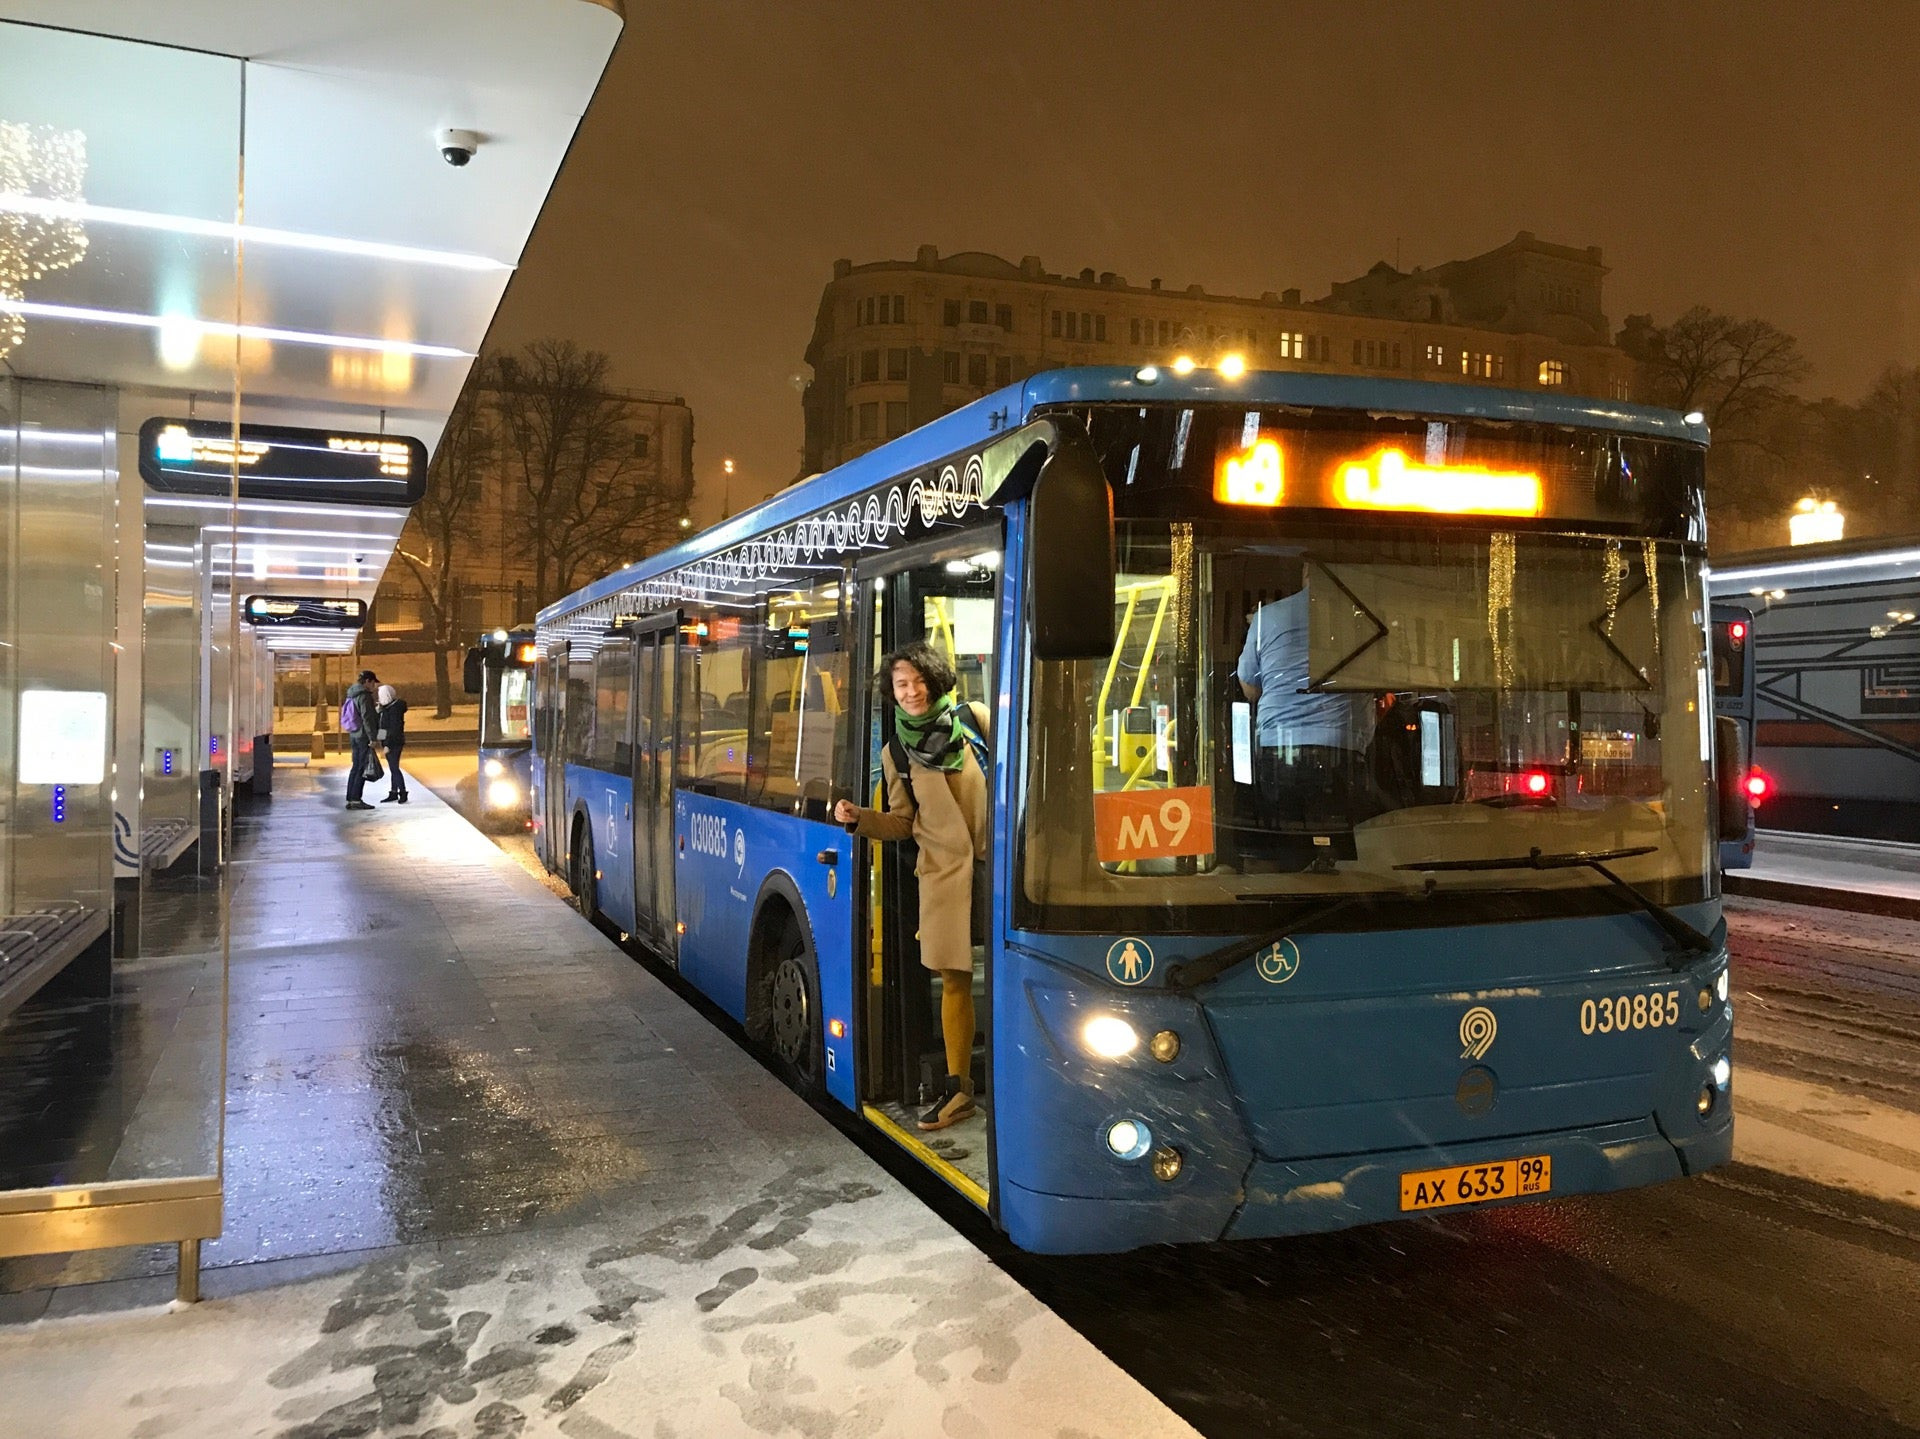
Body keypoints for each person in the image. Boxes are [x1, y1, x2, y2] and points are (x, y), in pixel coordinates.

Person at [833, 642, 988, 1132]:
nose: (913, 691)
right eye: (902, 685)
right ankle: (958, 1088)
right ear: (892, 694)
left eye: (919, 680)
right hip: (944, 875)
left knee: (1014, 971)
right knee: (956, 982)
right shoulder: (896, 752)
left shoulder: (975, 721)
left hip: (1000, 867)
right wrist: (859, 819)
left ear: (936, 679)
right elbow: (903, 823)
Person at [1236, 586, 1376, 868]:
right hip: (1344, 747)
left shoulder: (1268, 617)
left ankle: (1296, 887)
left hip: (1280, 747)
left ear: (1304, 570)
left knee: (1289, 838)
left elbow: (1249, 687)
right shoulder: (1369, 618)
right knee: (1340, 839)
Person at [342, 669, 381, 811]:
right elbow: (367, 718)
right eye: (372, 683)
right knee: (361, 767)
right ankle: (356, 799)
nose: (374, 686)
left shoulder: (351, 694)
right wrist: (373, 738)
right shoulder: (364, 696)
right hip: (363, 736)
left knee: (355, 766)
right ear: (367, 682)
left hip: (354, 734)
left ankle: (351, 798)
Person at [376, 682, 409, 803]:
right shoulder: (388, 708)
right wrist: (381, 743)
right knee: (393, 767)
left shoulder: (392, 710)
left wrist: (386, 744)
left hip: (394, 742)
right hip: (393, 741)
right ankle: (394, 792)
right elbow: (382, 726)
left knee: (394, 768)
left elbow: (391, 729)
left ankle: (402, 792)